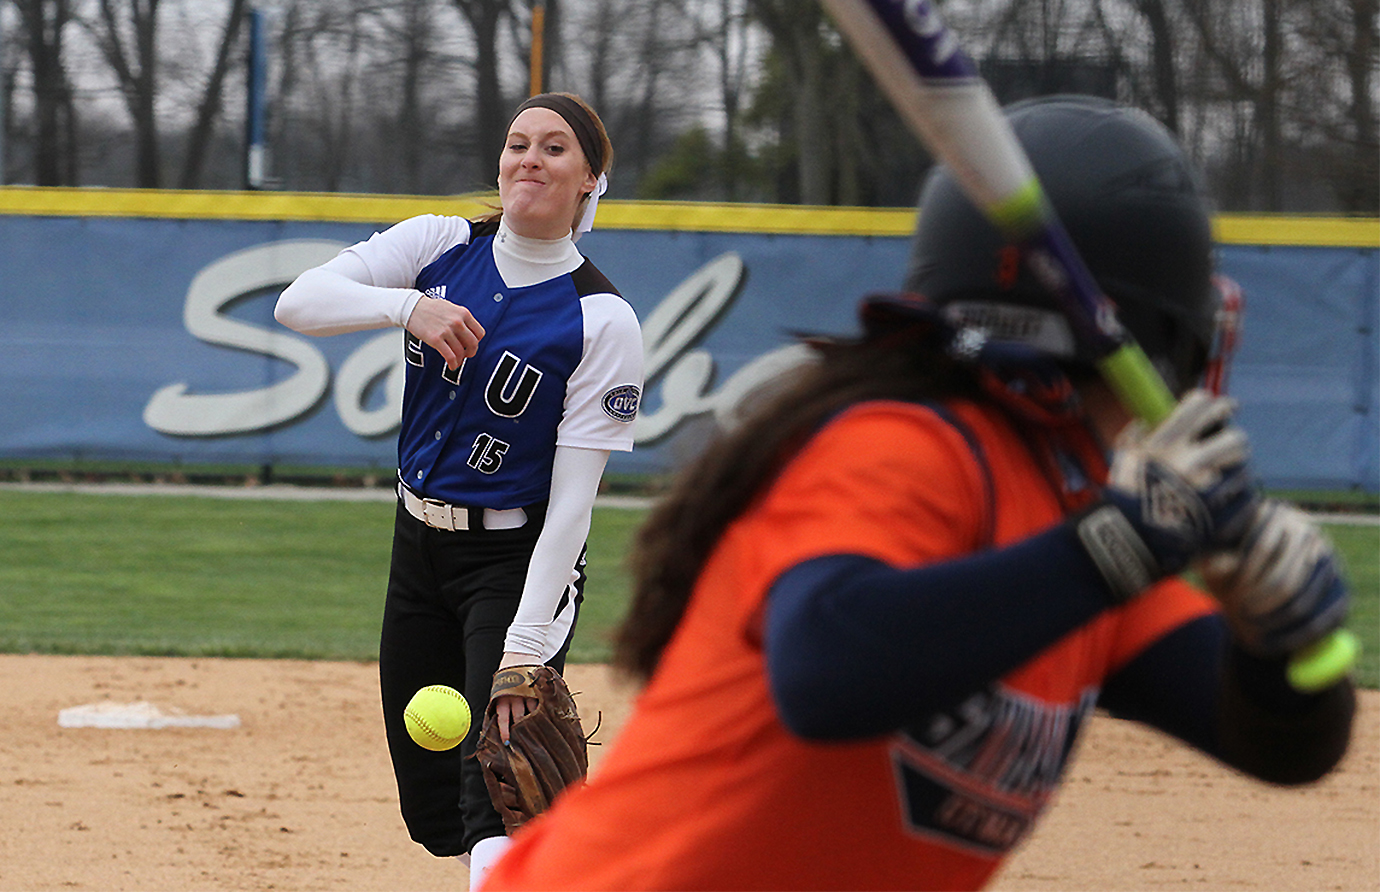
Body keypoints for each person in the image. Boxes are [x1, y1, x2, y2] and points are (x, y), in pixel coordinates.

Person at [479, 96, 1355, 891]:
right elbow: (826, 670)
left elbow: (1279, 745)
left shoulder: (1073, 523)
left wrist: (1290, 635)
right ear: (1143, 333)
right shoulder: (907, 445)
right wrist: (1123, 545)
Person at [274, 92, 643, 889]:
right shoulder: (441, 246)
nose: (529, 161)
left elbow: (575, 505)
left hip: (516, 562)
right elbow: (296, 303)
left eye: (554, 149)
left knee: (500, 793)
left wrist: (524, 647)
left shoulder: (601, 319)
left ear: (590, 181)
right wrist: (409, 307)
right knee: (433, 806)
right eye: (518, 144)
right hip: (418, 546)